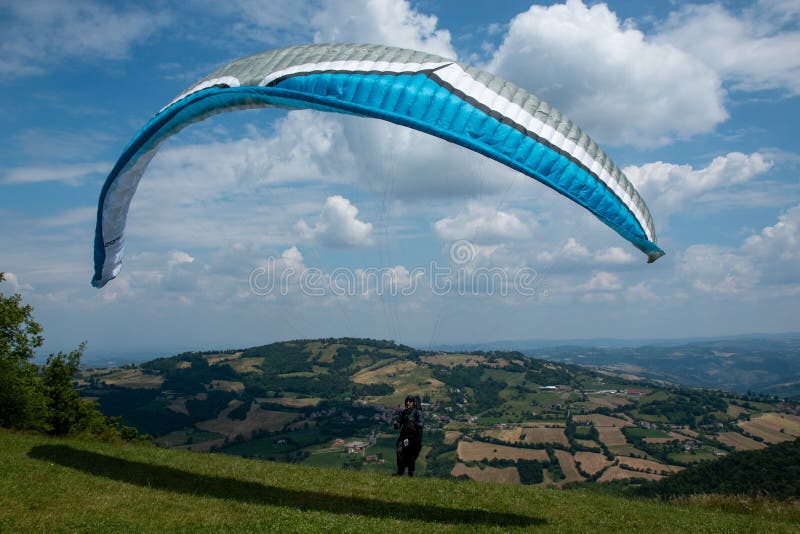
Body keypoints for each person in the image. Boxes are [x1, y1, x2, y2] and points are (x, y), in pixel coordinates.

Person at [393, 395, 424, 476]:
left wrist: (413, 423)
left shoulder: (418, 412)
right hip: (404, 437)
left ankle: (411, 474)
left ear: (413, 403)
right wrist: (397, 424)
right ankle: (400, 472)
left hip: (413, 438)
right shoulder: (404, 412)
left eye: (410, 401)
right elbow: (400, 422)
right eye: (406, 401)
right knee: (399, 451)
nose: (407, 403)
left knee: (410, 456)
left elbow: (421, 424)